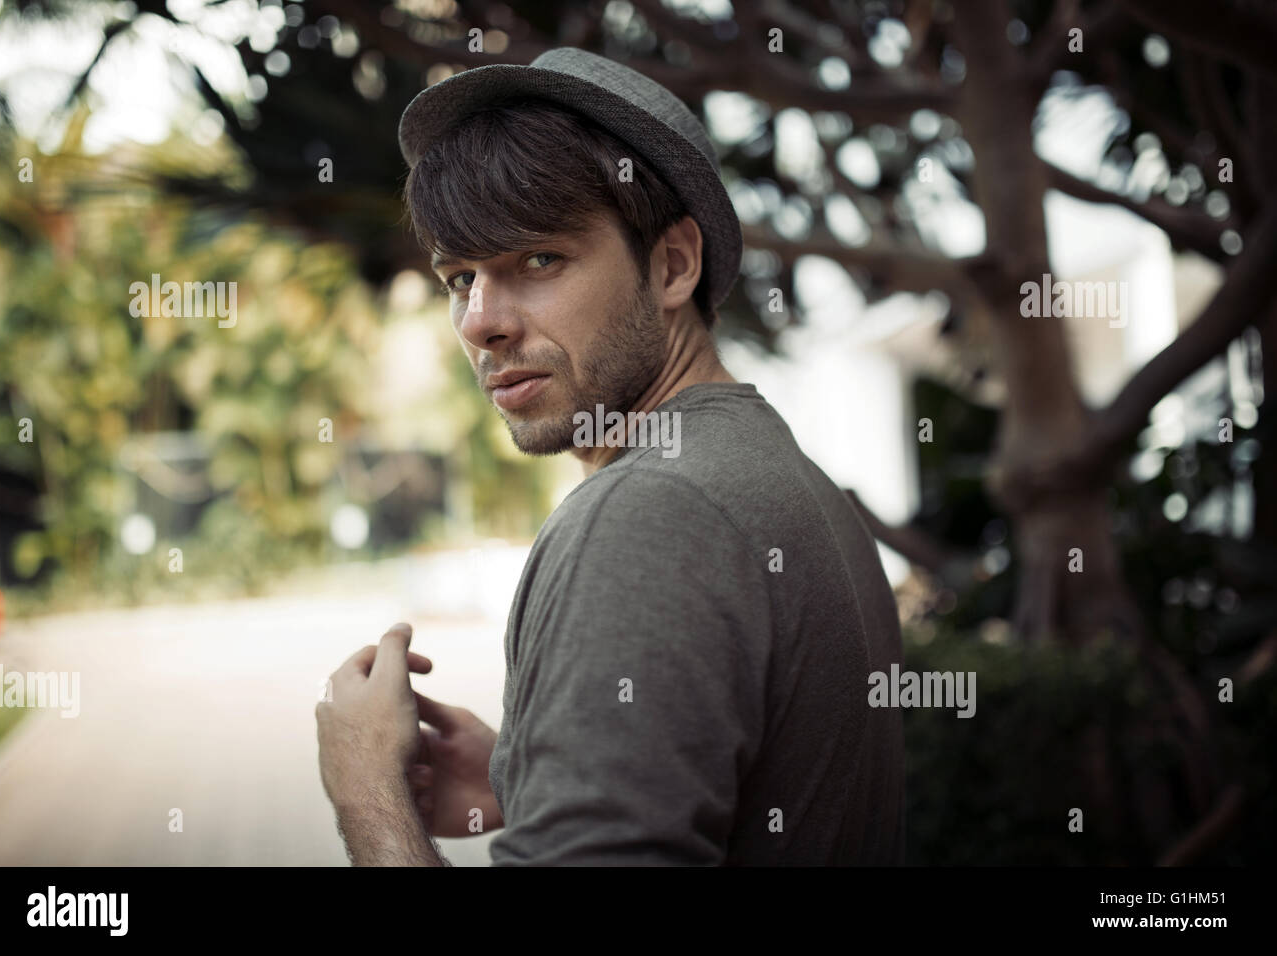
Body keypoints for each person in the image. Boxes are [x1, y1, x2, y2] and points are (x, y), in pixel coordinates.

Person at [316, 47, 905, 866]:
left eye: (538, 260)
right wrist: (521, 778)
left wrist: (368, 793)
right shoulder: (787, 480)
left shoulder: (645, 517)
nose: (480, 322)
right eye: (459, 279)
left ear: (671, 265)